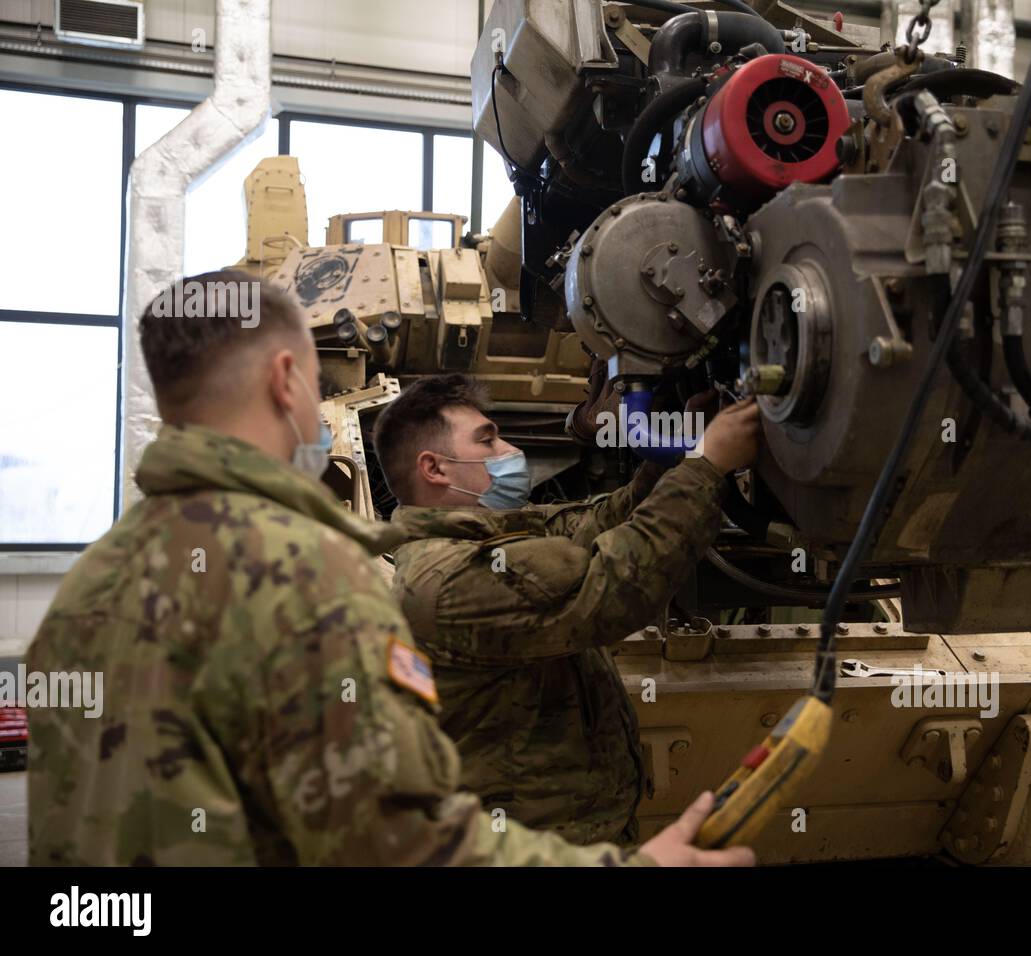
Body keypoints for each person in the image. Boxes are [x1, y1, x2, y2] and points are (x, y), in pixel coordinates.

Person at [25, 270, 753, 867]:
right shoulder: (305, 574)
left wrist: (673, 468)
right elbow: (401, 843)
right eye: (314, 381)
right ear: (285, 380)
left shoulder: (88, 588)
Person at [373, 373, 761, 845]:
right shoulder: (446, 579)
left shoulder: (481, 534)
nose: (509, 449)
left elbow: (594, 523)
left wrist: (674, 451)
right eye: (488, 438)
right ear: (435, 468)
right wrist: (708, 464)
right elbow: (617, 586)